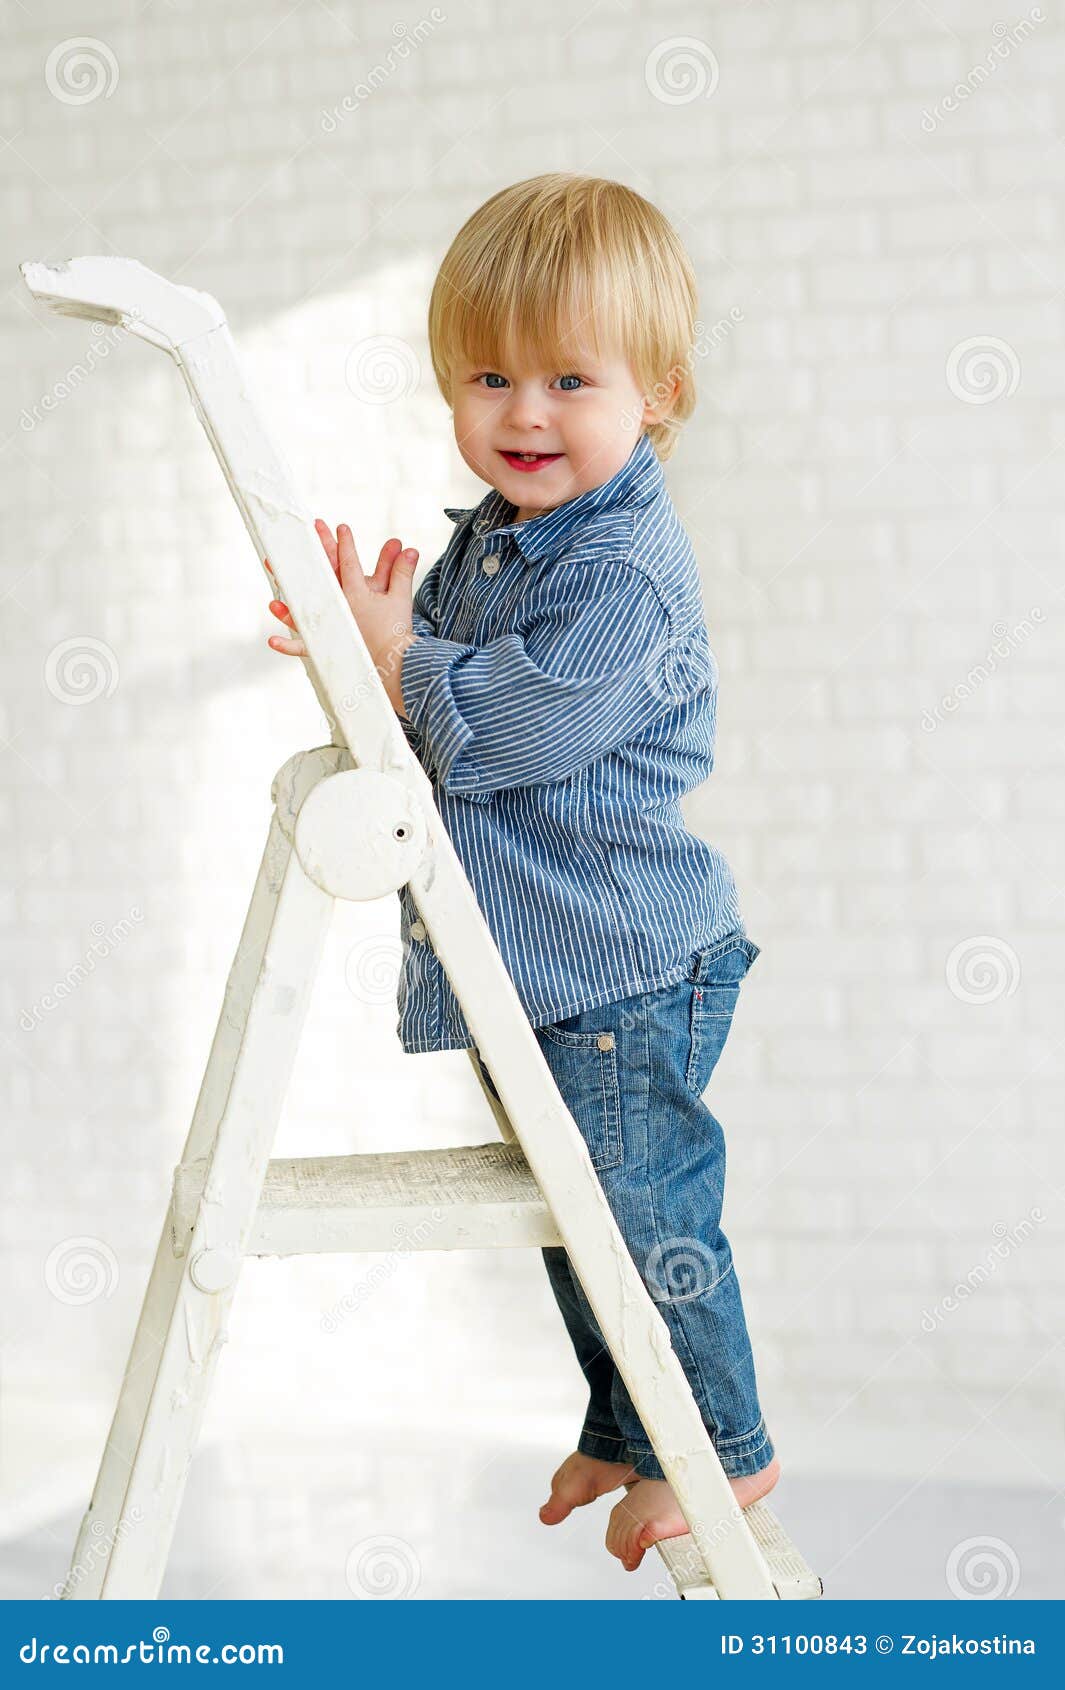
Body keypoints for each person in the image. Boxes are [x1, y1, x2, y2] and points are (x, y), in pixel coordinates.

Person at [265, 172, 779, 1575]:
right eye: (489, 376)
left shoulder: (621, 568)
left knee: (642, 1210)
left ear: (656, 391)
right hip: (541, 969)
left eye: (568, 377)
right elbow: (425, 684)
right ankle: (628, 1420)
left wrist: (398, 656)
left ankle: (721, 1446)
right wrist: (363, 642)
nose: (523, 413)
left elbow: (519, 724)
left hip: (621, 962)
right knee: (579, 1212)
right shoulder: (493, 538)